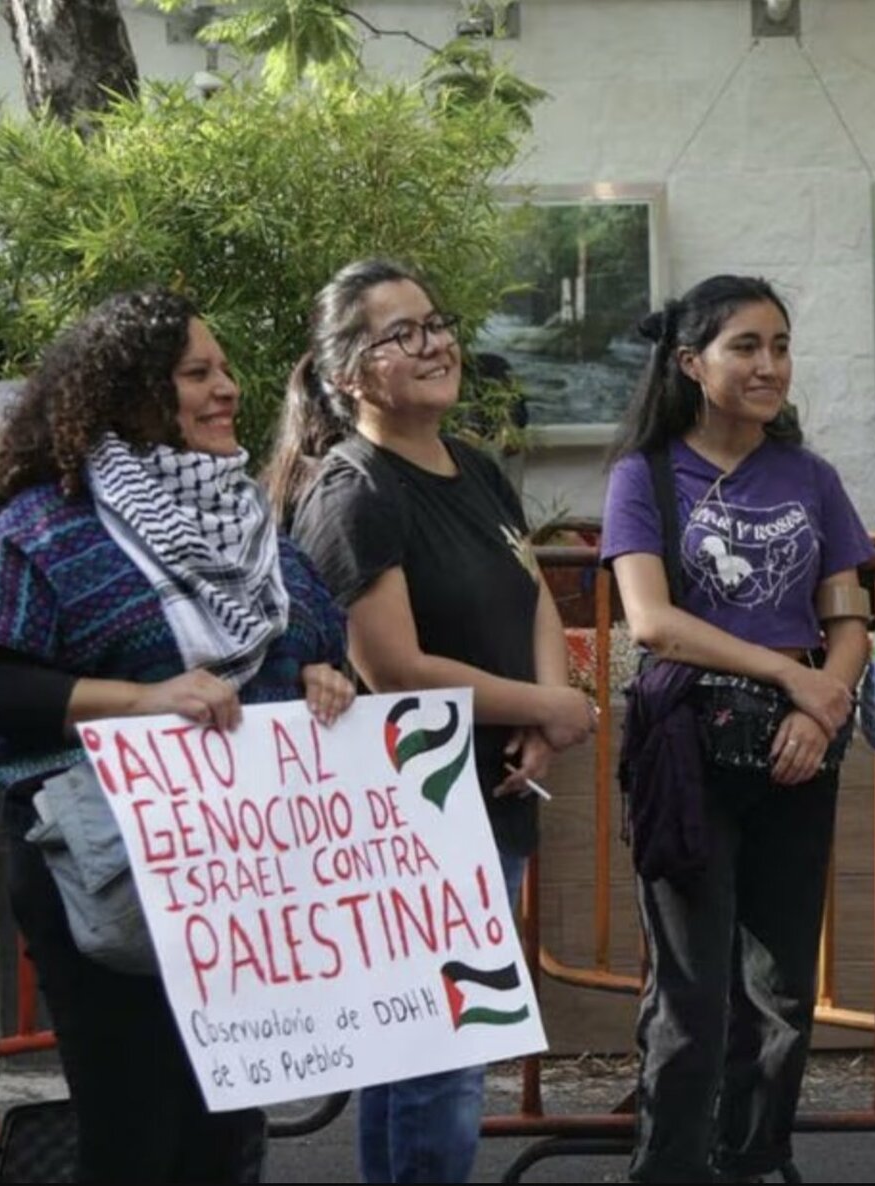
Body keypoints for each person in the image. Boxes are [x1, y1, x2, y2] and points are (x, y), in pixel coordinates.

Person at [0, 288, 357, 1183]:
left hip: (240, 869)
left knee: (224, 1126)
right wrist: (144, 699)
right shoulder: (42, 532)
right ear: (129, 393)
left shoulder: (249, 525)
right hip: (108, 866)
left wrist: (326, 677)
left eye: (225, 369)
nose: (227, 389)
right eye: (197, 374)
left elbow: (311, 643)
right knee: (133, 1125)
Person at [265, 258, 595, 1184]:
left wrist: (543, 711)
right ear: (348, 374)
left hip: (490, 793)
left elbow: (531, 592)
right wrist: (548, 705)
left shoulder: (475, 467)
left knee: (432, 1057)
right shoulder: (355, 491)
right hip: (412, 812)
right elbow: (394, 666)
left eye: (436, 323)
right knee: (438, 1060)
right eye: (400, 334)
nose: (433, 344)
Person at [600, 274, 875, 1182]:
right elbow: (652, 622)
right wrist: (790, 677)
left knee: (781, 989)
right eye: (745, 347)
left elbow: (849, 617)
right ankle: (671, 1167)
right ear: (691, 362)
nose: (769, 366)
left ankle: (751, 1160)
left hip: (799, 747)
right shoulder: (644, 476)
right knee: (690, 991)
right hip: (686, 749)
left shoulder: (811, 477)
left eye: (780, 346)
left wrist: (824, 703)